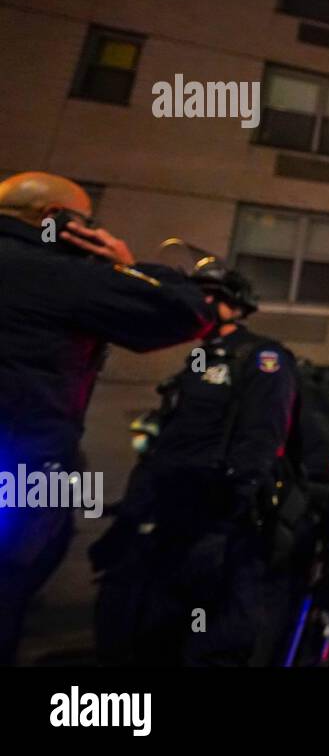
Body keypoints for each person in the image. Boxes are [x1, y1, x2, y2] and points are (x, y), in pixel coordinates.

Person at [0, 171, 213, 664]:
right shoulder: (54, 272)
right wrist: (122, 263)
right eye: (85, 222)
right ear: (56, 221)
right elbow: (184, 312)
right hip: (21, 470)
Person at [92, 260, 297, 666]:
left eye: (210, 296)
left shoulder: (260, 357)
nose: (199, 303)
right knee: (149, 631)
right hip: (171, 513)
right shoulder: (198, 359)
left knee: (211, 640)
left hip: (218, 520)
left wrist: (236, 496)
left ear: (234, 306)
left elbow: (262, 434)